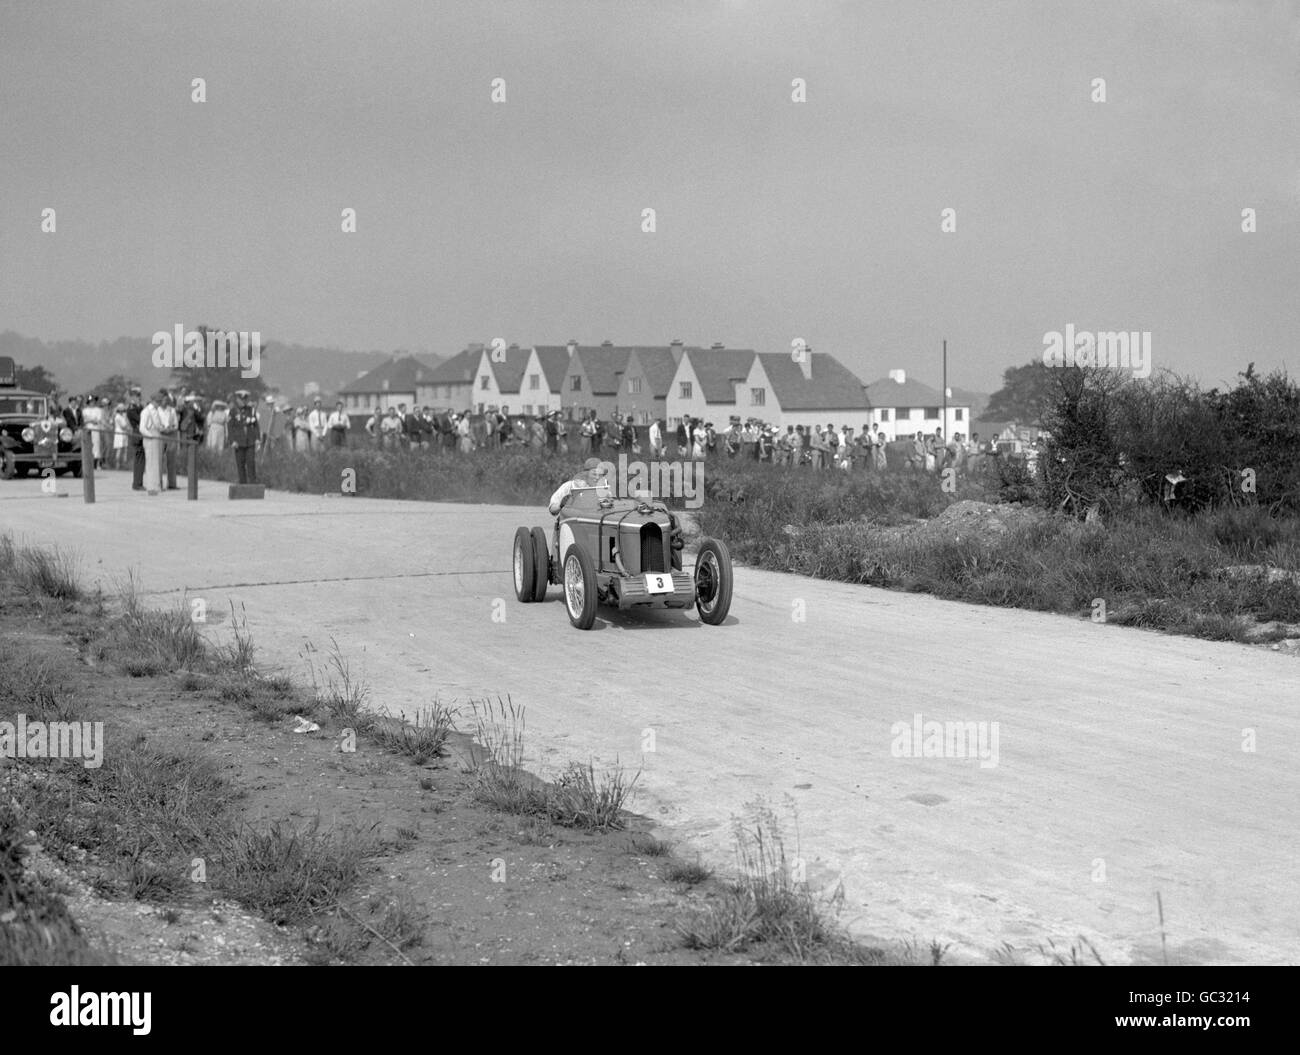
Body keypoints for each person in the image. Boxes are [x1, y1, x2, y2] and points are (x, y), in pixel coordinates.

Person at [228, 390, 260, 484]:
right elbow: (230, 427)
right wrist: (232, 440)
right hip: (238, 442)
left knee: (251, 462)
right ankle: (242, 483)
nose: (243, 401)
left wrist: (258, 438)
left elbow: (256, 425)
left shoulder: (251, 410)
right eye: (241, 399)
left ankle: (253, 483)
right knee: (240, 464)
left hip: (250, 441)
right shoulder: (233, 411)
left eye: (245, 399)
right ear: (237, 399)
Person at [139, 390, 165, 495]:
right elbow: (142, 428)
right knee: (150, 463)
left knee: (157, 462)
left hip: (157, 435)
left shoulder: (156, 411)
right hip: (150, 437)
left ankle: (157, 485)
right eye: (158, 401)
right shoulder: (146, 411)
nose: (159, 403)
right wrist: (150, 436)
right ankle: (151, 486)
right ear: (153, 401)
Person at [159, 391, 180, 489]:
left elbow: (176, 424)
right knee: (159, 460)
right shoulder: (157, 410)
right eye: (163, 399)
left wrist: (171, 429)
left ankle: (172, 483)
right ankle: (158, 482)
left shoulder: (172, 410)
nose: (165, 401)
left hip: (171, 436)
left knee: (171, 460)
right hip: (160, 436)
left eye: (167, 400)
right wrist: (162, 428)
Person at [127, 387, 146, 490]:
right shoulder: (131, 409)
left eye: (139, 395)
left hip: (140, 435)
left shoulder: (138, 407)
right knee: (139, 460)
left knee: (141, 461)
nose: (139, 397)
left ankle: (139, 482)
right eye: (137, 395)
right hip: (137, 435)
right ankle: (137, 483)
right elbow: (140, 419)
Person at [112, 402, 129, 469]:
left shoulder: (124, 416)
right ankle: (117, 464)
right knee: (119, 449)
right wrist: (127, 427)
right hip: (119, 434)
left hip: (124, 434)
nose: (123, 411)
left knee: (125, 449)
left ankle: (124, 463)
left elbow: (126, 424)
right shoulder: (117, 417)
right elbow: (123, 426)